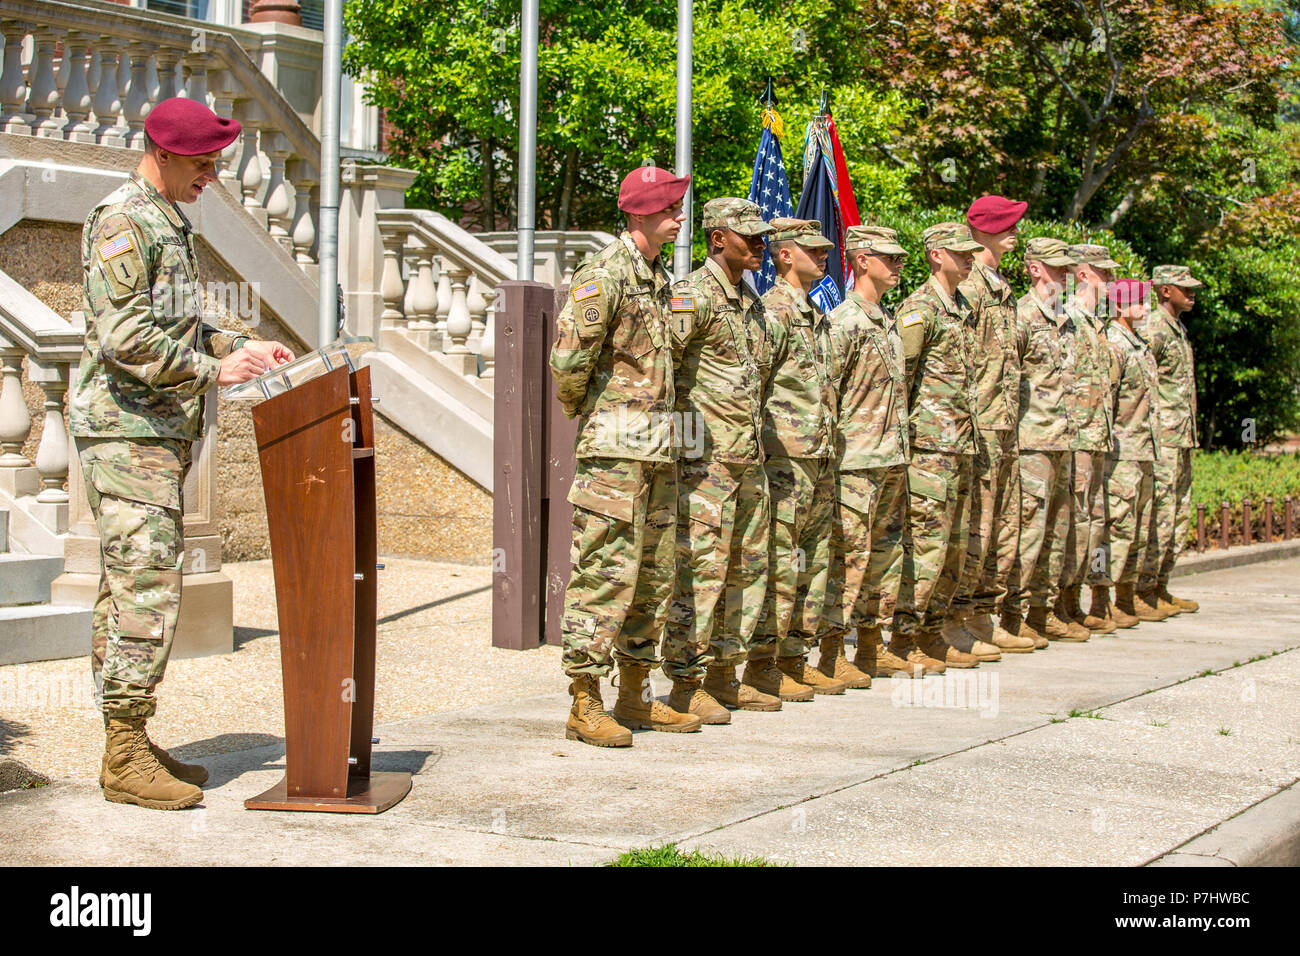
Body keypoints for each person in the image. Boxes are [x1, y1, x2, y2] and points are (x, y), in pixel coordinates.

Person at [73, 97, 294, 809]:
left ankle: (127, 740)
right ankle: (127, 754)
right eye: (203, 163)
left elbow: (178, 322)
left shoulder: (166, 220)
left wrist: (237, 346)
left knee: (129, 592)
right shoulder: (122, 221)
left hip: (153, 437)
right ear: (162, 152)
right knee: (146, 592)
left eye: (217, 163)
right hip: (126, 436)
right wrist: (211, 372)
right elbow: (125, 339)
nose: (213, 176)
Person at [549, 164, 701, 745]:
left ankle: (635, 695)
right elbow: (568, 362)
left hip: (659, 450)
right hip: (616, 452)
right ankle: (584, 700)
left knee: (655, 573)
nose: (678, 217)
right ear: (638, 212)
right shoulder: (604, 275)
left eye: (678, 208)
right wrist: (597, 414)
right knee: (604, 572)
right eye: (669, 209)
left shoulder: (661, 280)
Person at [665, 198, 784, 715]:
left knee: (748, 568)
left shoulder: (751, 301)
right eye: (750, 238)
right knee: (701, 571)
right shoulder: (691, 295)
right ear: (717, 239)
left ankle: (723, 672)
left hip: (746, 457)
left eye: (763, 238)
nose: (761, 246)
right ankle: (684, 684)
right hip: (703, 462)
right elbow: (662, 370)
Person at [751, 217, 848, 699]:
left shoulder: (815, 314)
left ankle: (793, 653)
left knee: (810, 559)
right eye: (814, 248)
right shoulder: (773, 312)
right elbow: (757, 385)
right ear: (785, 254)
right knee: (781, 560)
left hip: (817, 456)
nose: (825, 254)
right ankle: (762, 660)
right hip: (784, 459)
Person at [820, 225, 920, 678]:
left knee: (886, 556)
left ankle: (870, 643)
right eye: (889, 258)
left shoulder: (886, 320)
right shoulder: (844, 322)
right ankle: (831, 652)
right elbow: (828, 393)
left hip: (890, 457)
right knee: (848, 560)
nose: (898, 265)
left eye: (899, 259)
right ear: (861, 260)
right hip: (855, 461)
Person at [891, 222, 984, 670]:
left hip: (961, 445)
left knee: (953, 547)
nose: (969, 258)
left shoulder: (963, 306)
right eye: (959, 252)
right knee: (925, 547)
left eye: (971, 252)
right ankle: (901, 639)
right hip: (928, 447)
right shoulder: (919, 309)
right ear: (934, 255)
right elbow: (900, 377)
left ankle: (934, 632)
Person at [951, 195, 1027, 658]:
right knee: (972, 527)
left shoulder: (999, 286)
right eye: (1007, 225)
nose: (1015, 231)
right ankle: (954, 619)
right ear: (984, 230)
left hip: (1003, 426)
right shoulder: (971, 287)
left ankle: (982, 614)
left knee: (999, 526)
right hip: (978, 425)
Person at [1004, 238, 1088, 645]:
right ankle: (1012, 614)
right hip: (1031, 443)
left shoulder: (1066, 320)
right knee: (1026, 531)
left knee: (1057, 530)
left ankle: (1043, 608)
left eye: (1069, 271)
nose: (1065, 277)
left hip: (1063, 441)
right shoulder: (1020, 316)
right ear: (1035, 268)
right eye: (1058, 269)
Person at [1061, 244, 1125, 633]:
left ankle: (1078, 602)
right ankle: (1058, 605)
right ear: (1083, 275)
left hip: (1097, 438)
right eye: (1105, 274)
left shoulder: (1097, 326)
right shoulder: (1067, 319)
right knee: (1074, 523)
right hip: (1075, 439)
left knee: (1093, 524)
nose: (1112, 282)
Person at [1140, 265, 1204, 615]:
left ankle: (1160, 587)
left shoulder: (1176, 327)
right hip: (1162, 437)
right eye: (1185, 288)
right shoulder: (1154, 327)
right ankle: (1142, 590)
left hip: (1180, 436)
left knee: (1177, 516)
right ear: (1165, 290)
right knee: (1160, 514)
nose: (1192, 294)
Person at [1102, 279, 1165, 624]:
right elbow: (1107, 400)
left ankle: (1125, 597)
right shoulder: (1115, 344)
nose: (1146, 307)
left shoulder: (1139, 343)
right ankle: (1103, 600)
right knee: (1120, 527)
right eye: (1140, 301)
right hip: (1122, 452)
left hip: (1143, 449)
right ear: (1121, 307)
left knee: (1139, 528)